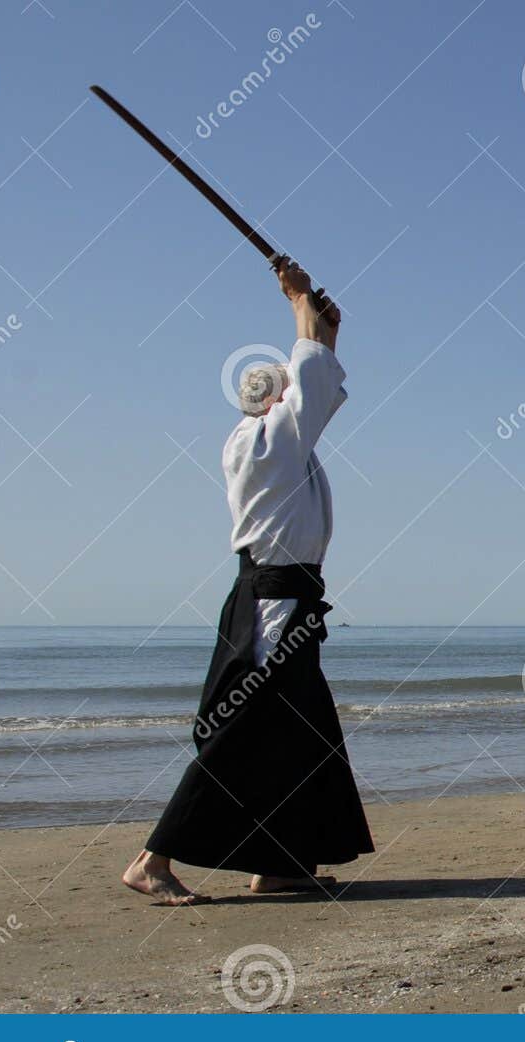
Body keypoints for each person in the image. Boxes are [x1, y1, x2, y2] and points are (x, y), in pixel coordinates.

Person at [122, 259, 373, 905]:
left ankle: (281, 862)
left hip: (283, 597)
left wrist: (325, 330)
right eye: (288, 395)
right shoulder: (265, 443)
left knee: (302, 730)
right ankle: (153, 860)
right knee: (244, 731)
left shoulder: (279, 443)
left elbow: (318, 388)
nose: (299, 404)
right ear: (272, 402)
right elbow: (312, 386)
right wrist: (297, 304)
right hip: (272, 605)